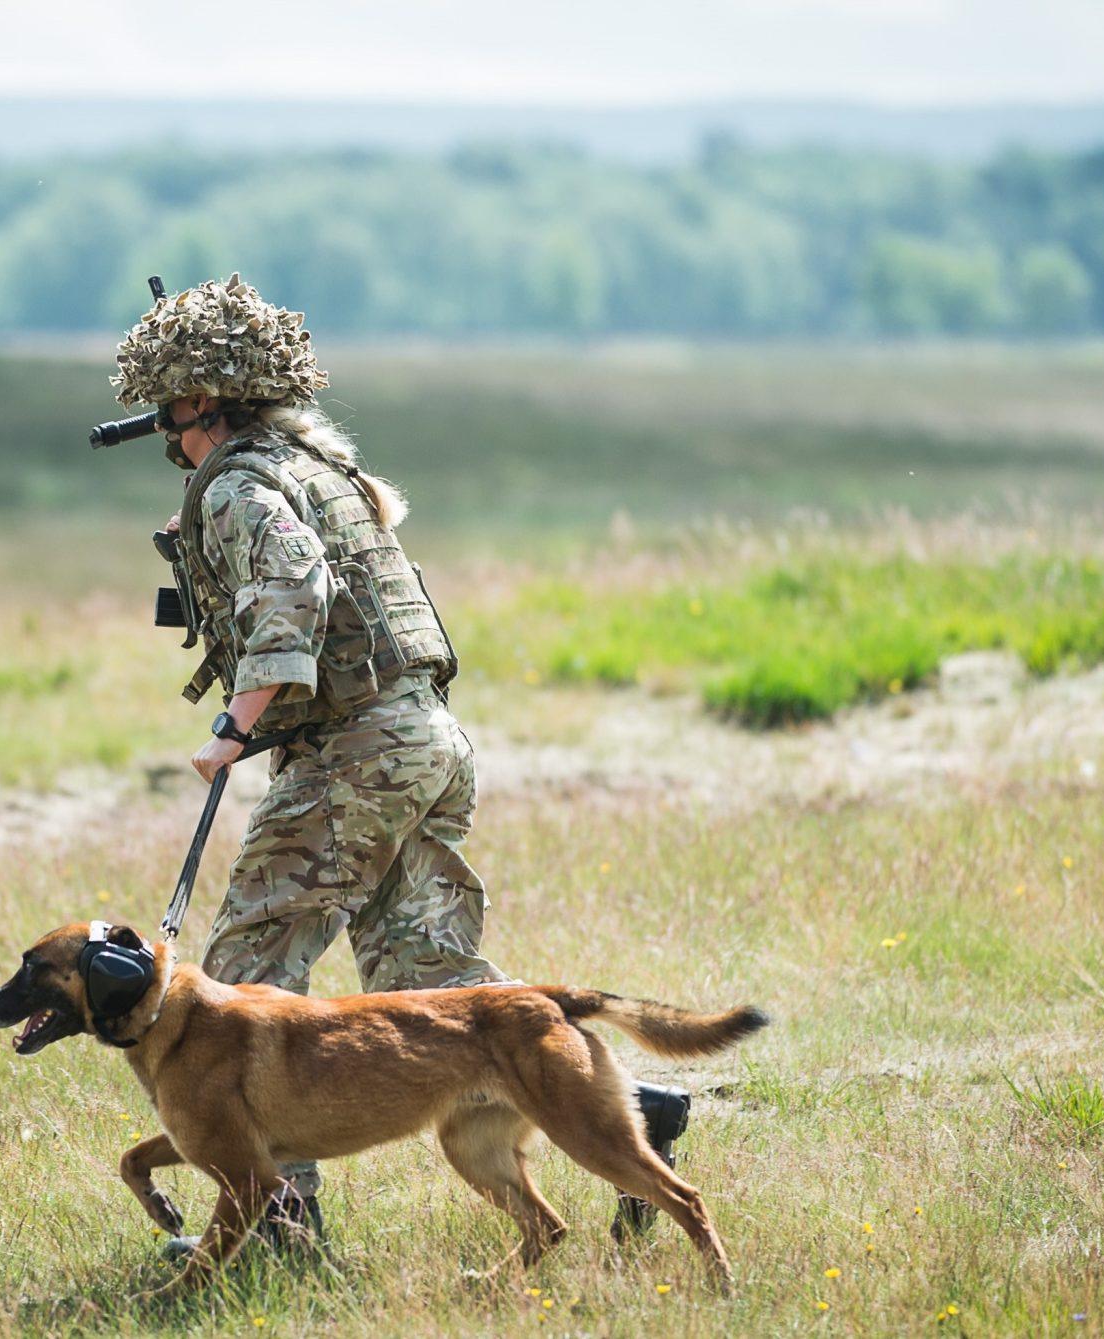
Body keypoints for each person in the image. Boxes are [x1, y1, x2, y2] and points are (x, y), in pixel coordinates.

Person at [110, 273, 690, 1252]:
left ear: (198, 402)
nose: (165, 431)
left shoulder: (246, 483)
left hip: (358, 752)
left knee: (246, 971)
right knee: (431, 975)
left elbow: (292, 585)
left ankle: (274, 1226)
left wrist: (232, 725)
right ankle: (639, 1105)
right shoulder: (311, 466)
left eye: (167, 409)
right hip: (421, 737)